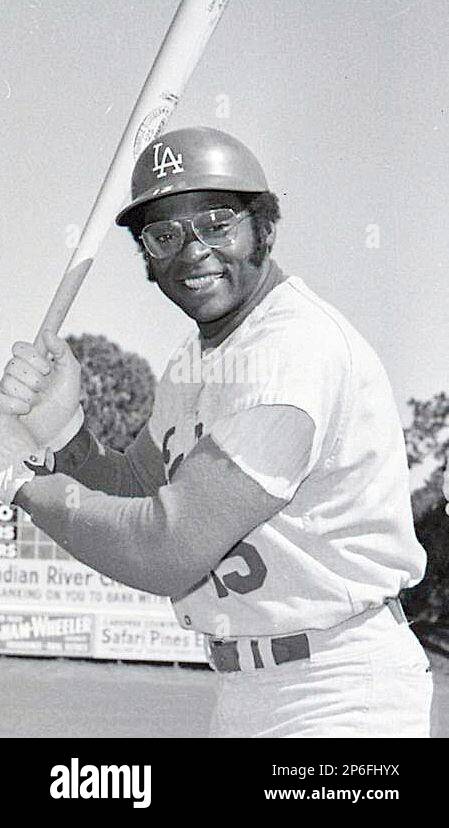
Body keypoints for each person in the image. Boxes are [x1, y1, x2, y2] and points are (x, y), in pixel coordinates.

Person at [0, 127, 433, 738]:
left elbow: (165, 548)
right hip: (247, 690)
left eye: (217, 221)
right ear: (148, 259)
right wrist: (62, 431)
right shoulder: (196, 359)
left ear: (266, 228)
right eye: (164, 234)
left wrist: (15, 477)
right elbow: (136, 490)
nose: (192, 249)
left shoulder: (293, 349)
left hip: (339, 691)